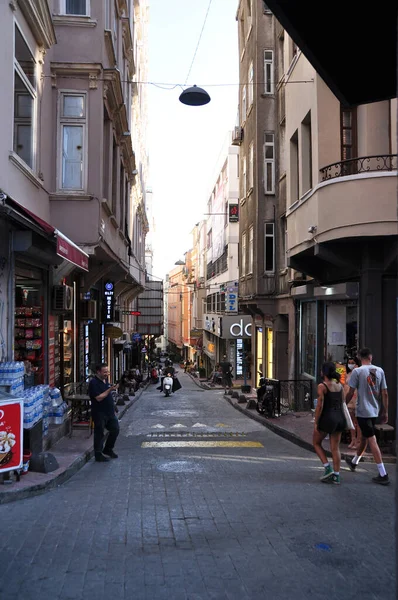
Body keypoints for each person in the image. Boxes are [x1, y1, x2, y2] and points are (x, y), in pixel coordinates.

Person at [345, 347, 390, 485]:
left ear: (359, 358)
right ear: (370, 357)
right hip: (374, 410)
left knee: (371, 439)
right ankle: (354, 462)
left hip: (362, 411)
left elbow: (351, 392)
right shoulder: (380, 371)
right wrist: (385, 411)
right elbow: (385, 393)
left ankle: (383, 473)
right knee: (364, 437)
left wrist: (343, 405)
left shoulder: (357, 372)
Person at [313, 362, 346, 484]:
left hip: (327, 418)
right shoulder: (339, 385)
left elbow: (319, 406)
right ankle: (336, 476)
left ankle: (327, 468)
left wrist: (316, 422)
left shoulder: (322, 386)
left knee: (316, 443)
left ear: (324, 372)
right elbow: (343, 402)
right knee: (335, 448)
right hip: (340, 417)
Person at [88, 363, 120, 462]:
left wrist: (114, 407)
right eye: (105, 372)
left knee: (115, 429)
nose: (107, 373)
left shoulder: (105, 381)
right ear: (98, 372)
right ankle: (98, 454)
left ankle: (108, 449)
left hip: (109, 412)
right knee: (99, 433)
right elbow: (98, 398)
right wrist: (110, 389)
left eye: (107, 371)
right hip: (99, 412)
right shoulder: (93, 383)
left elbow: (108, 396)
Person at [344, 357, 361, 449]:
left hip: (357, 399)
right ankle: (353, 439)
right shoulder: (348, 374)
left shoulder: (359, 374)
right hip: (349, 400)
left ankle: (358, 440)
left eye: (353, 363)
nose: (350, 364)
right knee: (351, 421)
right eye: (349, 363)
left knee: (358, 422)